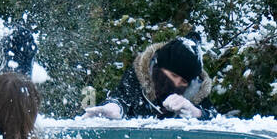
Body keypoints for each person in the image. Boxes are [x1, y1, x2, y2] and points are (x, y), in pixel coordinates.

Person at [83, 36, 216, 119]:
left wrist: (196, 113)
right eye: (173, 76)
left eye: (183, 81)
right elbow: (122, 98)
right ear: (158, 69)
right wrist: (114, 108)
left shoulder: (195, 94)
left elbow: (217, 121)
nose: (176, 84)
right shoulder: (138, 78)